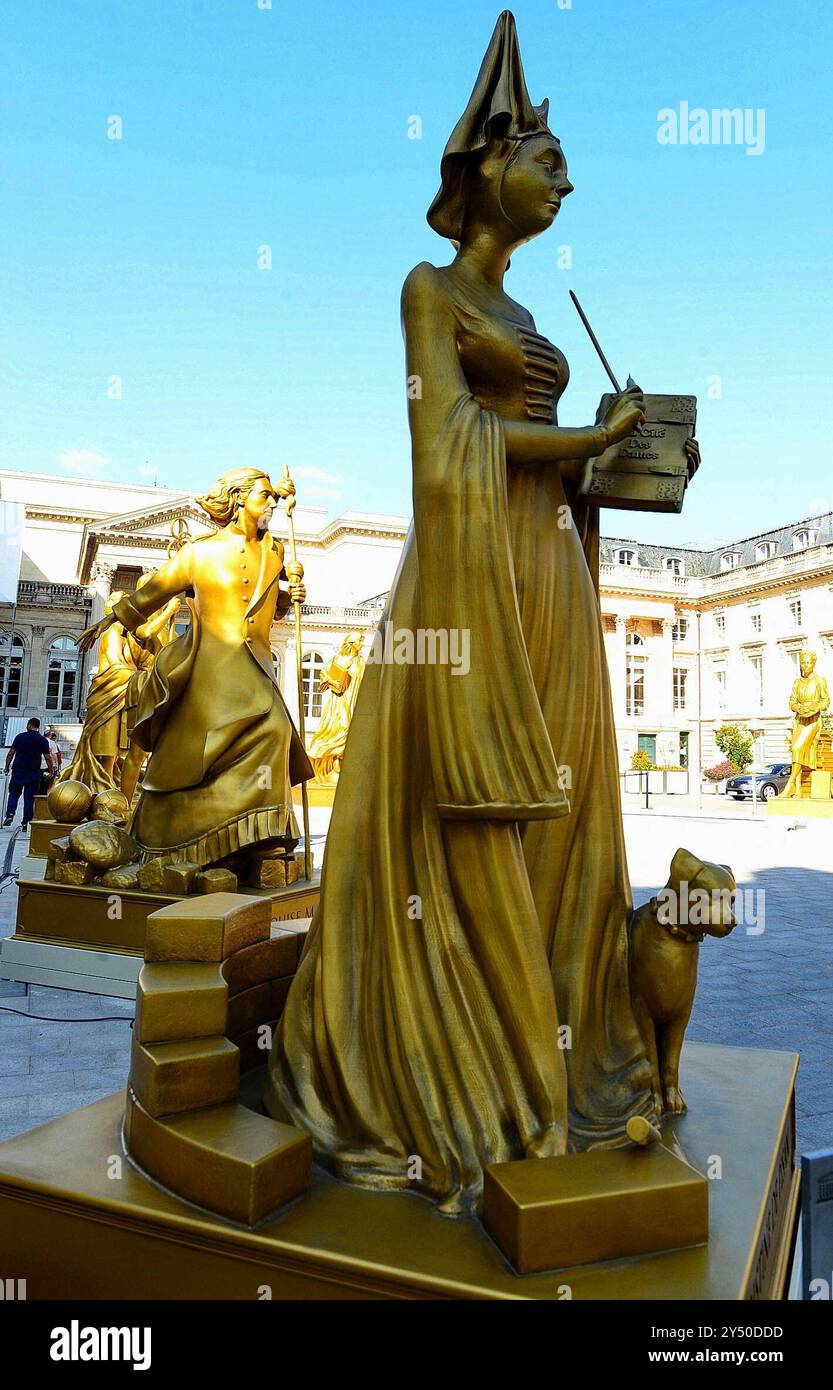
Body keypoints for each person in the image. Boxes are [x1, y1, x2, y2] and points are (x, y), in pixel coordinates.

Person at [267, 12, 700, 1214]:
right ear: (485, 167)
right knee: (480, 813)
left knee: (563, 809)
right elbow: (440, 439)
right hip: (471, 576)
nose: (565, 183)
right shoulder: (427, 289)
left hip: (550, 567)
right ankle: (476, 1072)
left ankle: (568, 1047)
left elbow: (545, 460)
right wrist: (580, 435)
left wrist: (630, 459)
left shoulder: (528, 318)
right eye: (547, 162)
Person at [77, 468, 313, 867]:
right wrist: (107, 620)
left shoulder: (276, 551)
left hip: (256, 664)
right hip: (210, 667)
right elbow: (149, 595)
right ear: (238, 500)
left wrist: (291, 594)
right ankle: (184, 834)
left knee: (274, 730)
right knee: (202, 753)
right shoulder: (198, 553)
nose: (272, 502)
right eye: (264, 495)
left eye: (274, 496)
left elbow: (266, 604)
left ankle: (263, 834)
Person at [4, 718, 54, 831]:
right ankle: (26, 822)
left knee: (14, 794)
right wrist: (51, 771)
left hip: (18, 771)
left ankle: (10, 815)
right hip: (33, 773)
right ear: (37, 726)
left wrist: (7, 766)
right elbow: (48, 757)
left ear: (29, 725)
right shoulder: (42, 740)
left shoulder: (20, 737)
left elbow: (11, 753)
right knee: (29, 799)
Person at [41, 725, 63, 793]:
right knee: (50, 783)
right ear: (50, 735)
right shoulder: (52, 743)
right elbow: (54, 755)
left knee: (41, 783)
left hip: (39, 766)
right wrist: (56, 765)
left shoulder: (40, 741)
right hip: (49, 766)